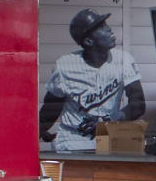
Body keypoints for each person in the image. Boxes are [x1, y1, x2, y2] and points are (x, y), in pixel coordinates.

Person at [39, 9, 145, 151]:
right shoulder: (66, 65)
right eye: (101, 27)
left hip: (108, 136)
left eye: (106, 24)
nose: (109, 29)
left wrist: (107, 120)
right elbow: (50, 109)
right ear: (89, 41)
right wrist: (37, 132)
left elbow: (138, 104)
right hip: (73, 139)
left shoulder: (123, 59)